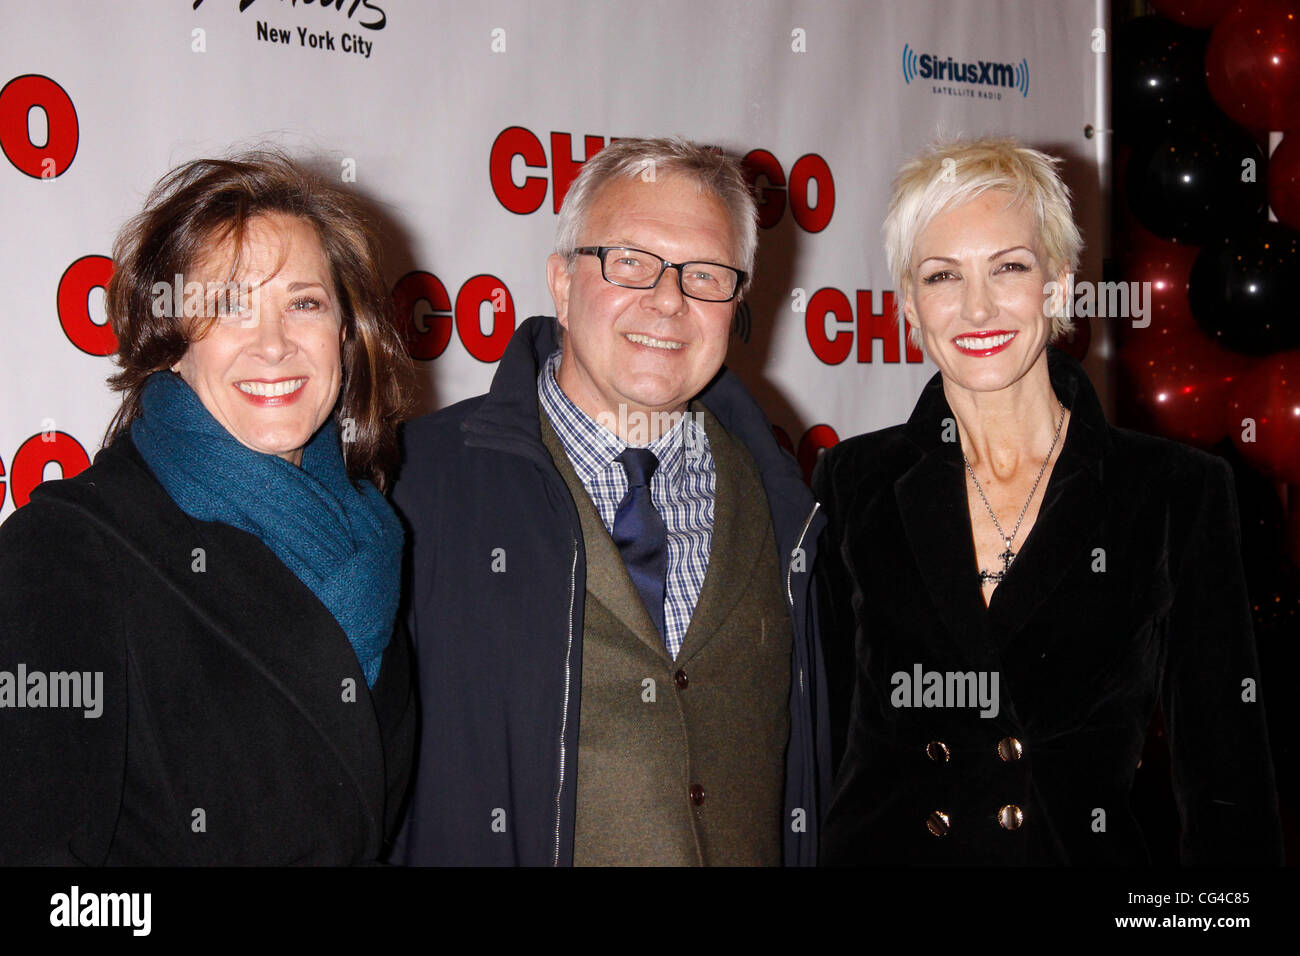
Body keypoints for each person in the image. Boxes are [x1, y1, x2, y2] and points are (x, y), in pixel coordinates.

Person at [815, 137, 1285, 866]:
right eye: (943, 276)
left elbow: (1227, 781)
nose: (977, 307)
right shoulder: (853, 481)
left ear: (1060, 286)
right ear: (910, 305)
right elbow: (830, 737)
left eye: (1009, 267)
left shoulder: (1171, 491)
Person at [391, 136, 829, 866]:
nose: (668, 300)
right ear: (561, 283)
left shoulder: (789, 508)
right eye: (629, 262)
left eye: (707, 274)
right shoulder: (414, 487)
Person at [0, 152, 416, 865]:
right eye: (228, 307)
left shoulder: (369, 534)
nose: (275, 344)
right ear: (166, 343)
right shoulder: (67, 551)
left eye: (304, 303)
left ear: (346, 335)